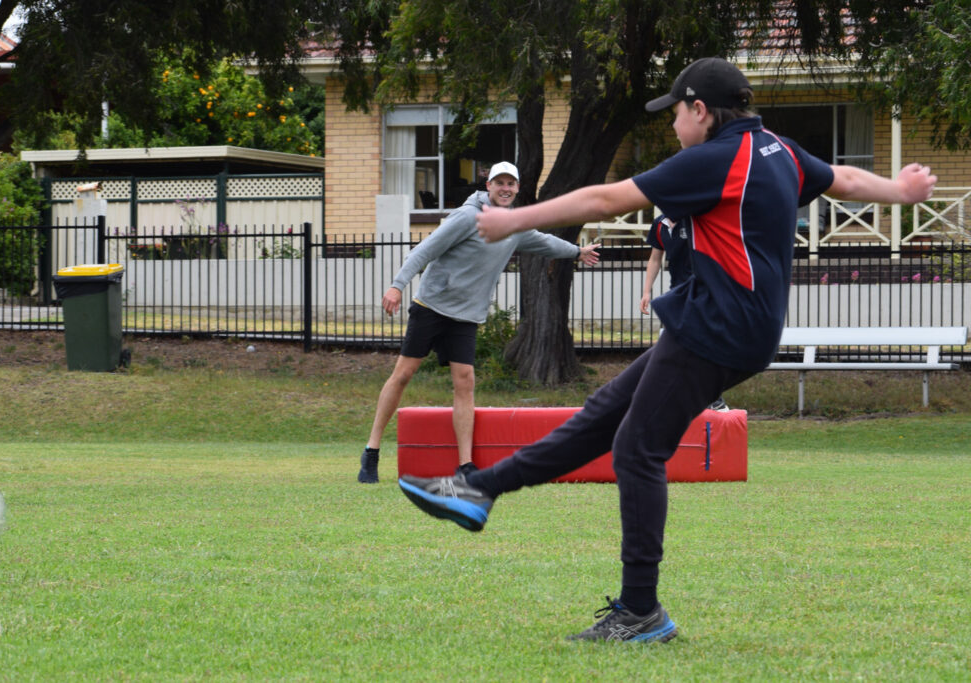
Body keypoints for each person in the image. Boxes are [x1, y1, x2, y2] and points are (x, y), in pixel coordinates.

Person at [398, 57, 936, 641]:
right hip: (731, 323)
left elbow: (606, 200)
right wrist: (901, 192)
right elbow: (848, 180)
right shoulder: (777, 150)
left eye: (676, 114)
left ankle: (641, 610)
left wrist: (513, 219)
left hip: (721, 325)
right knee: (606, 414)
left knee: (636, 447)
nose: (673, 127)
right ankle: (480, 490)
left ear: (701, 110)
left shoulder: (713, 159)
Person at [359, 161, 601, 483]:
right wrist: (397, 285)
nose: (505, 188)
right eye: (499, 182)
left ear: (517, 190)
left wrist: (576, 252)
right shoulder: (466, 217)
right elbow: (425, 250)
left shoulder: (515, 225)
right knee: (403, 374)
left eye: (511, 184)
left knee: (465, 382)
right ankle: (371, 451)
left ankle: (464, 465)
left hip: (466, 315)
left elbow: (543, 242)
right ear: (488, 186)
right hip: (431, 305)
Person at [641, 214, 729, 411]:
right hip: (677, 292)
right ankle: (679, 396)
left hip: (701, 290)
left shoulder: (693, 218)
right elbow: (655, 258)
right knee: (677, 345)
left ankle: (714, 398)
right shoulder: (660, 224)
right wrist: (647, 291)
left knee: (701, 343)